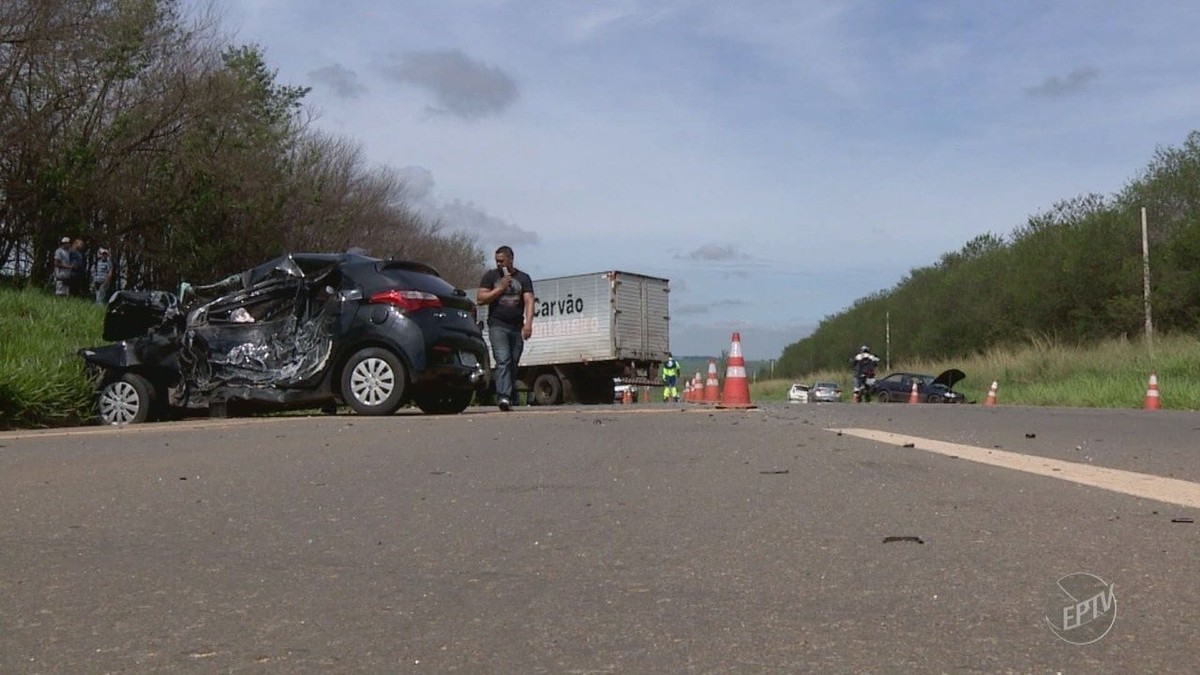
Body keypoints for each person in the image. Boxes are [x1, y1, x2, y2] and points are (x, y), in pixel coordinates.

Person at [477, 245, 534, 411]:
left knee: (513, 363)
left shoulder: (523, 278)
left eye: (502, 261)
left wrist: (528, 324)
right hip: (497, 325)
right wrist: (499, 289)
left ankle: (509, 394)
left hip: (516, 326)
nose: (499, 264)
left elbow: (529, 301)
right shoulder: (491, 276)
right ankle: (503, 396)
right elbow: (480, 298)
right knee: (503, 360)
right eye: (497, 261)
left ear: (510, 259)